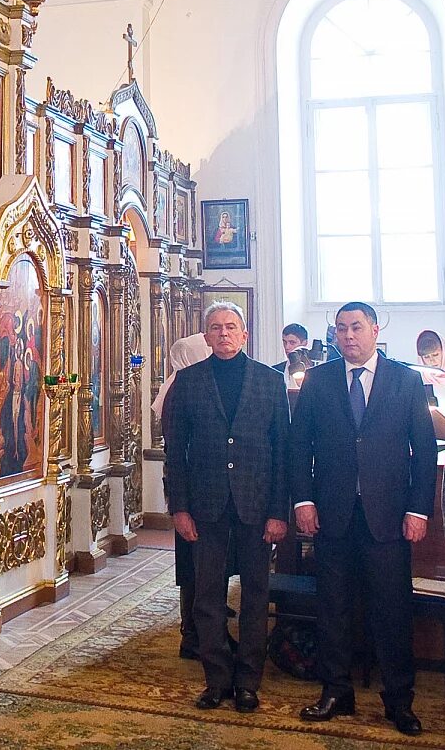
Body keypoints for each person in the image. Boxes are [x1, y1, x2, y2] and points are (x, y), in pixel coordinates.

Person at [290, 301, 438, 735]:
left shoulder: (406, 380)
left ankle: (398, 700)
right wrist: (303, 501)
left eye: (356, 327)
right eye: (341, 329)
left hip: (389, 517)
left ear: (375, 329)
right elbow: (301, 446)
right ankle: (335, 690)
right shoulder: (317, 381)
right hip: (333, 513)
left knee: (391, 610)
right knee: (332, 607)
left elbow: (425, 451)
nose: (348, 336)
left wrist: (418, 508)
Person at [163, 305, 290, 713]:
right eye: (215, 328)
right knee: (207, 596)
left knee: (255, 595)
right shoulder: (187, 381)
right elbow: (175, 453)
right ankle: (216, 679)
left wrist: (279, 512)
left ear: (244, 334)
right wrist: (179, 509)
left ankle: (249, 680)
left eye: (230, 327)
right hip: (206, 505)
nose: (223, 334)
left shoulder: (271, 383)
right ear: (206, 336)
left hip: (257, 504)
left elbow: (282, 453)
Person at [153, 332, 210, 659]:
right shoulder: (180, 389)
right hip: (188, 488)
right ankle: (192, 633)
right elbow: (179, 447)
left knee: (200, 563)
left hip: (192, 486)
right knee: (193, 564)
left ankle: (200, 627)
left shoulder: (183, 385)